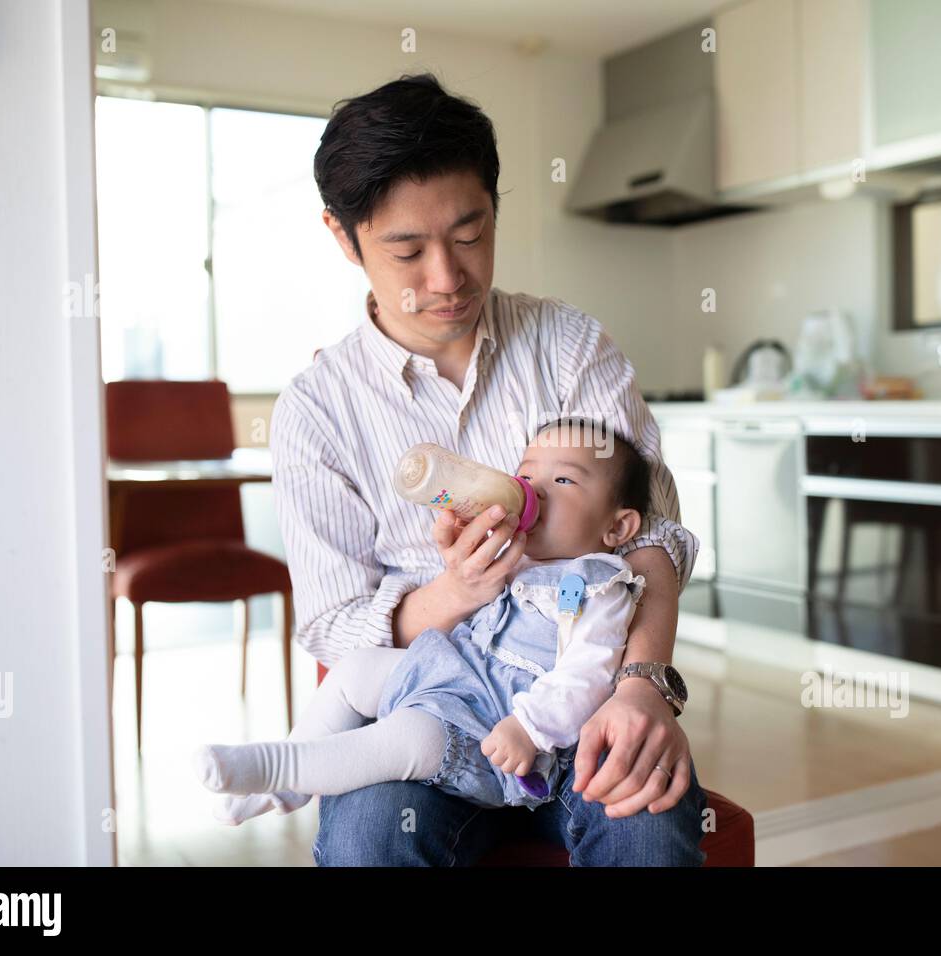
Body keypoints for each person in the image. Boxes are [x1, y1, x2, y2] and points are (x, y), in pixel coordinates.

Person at [275, 72, 704, 866]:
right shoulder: (316, 410)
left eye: (470, 234)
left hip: (584, 698)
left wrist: (645, 681)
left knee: (647, 826)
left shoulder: (570, 348)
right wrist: (459, 591)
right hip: (425, 718)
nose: (447, 277)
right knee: (373, 840)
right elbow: (335, 627)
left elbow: (658, 536)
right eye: (406, 249)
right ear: (343, 237)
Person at [192, 421, 668, 821]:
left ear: (617, 527)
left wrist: (529, 729)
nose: (536, 492)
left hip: (494, 725)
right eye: (526, 475)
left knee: (410, 737)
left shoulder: (596, 586)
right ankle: (287, 784)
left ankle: (280, 768)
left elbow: (586, 676)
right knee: (356, 668)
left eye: (564, 481)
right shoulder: (513, 556)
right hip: (452, 673)